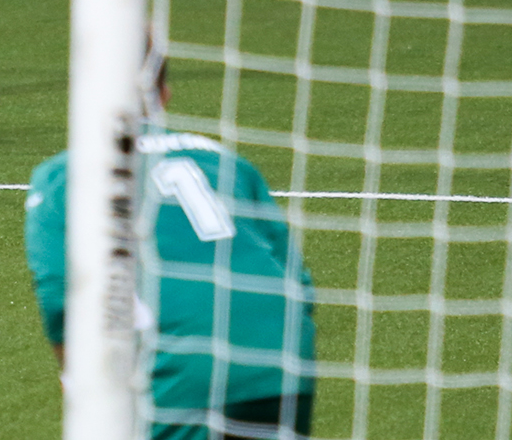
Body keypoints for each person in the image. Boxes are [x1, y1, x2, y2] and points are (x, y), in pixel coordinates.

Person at [24, 57, 317, 439]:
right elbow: (296, 277)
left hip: (184, 366)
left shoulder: (66, 175)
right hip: (282, 356)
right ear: (164, 92)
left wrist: (75, 380)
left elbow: (57, 292)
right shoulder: (226, 160)